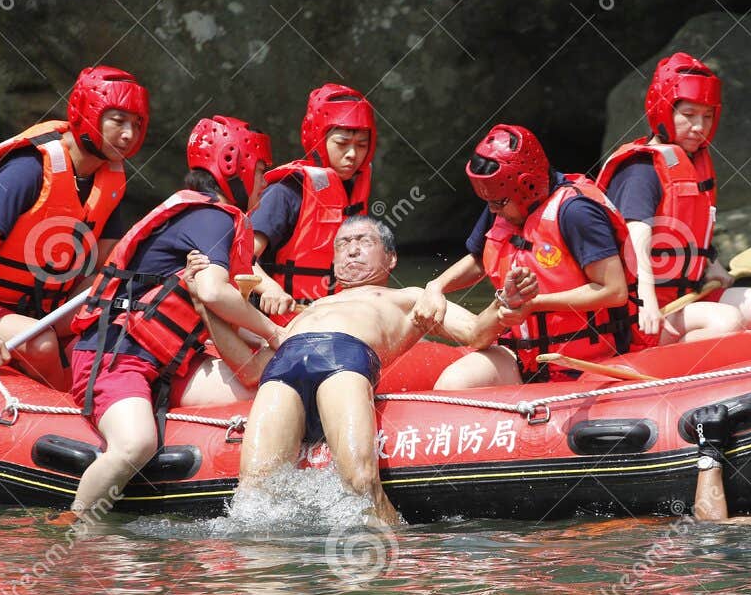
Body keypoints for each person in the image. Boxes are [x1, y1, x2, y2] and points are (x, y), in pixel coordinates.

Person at [226, 216, 538, 526]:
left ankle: (395, 551)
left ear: (391, 258)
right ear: (333, 262)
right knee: (253, 491)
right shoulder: (313, 306)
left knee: (360, 484)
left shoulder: (412, 298)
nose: (352, 250)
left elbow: (474, 332)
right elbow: (255, 360)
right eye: (343, 244)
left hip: (343, 358)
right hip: (284, 363)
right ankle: (263, 560)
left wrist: (502, 305)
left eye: (364, 241)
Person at [61, 115, 284, 518]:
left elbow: (215, 306)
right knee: (136, 444)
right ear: (234, 168)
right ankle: (75, 526)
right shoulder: (211, 217)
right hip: (115, 357)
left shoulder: (213, 217)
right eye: (261, 171)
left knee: (265, 387)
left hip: (168, 363)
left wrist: (272, 343)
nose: (265, 182)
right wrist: (273, 334)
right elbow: (212, 291)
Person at [0, 65, 149, 390]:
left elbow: (104, 270)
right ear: (88, 113)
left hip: (39, 308)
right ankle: (69, 404)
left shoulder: (109, 181)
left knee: (119, 313)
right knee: (40, 343)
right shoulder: (29, 169)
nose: (129, 135)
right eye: (118, 121)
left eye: (136, 124)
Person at [596, 52, 751, 340]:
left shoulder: (692, 164)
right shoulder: (640, 170)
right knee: (727, 321)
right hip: (640, 313)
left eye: (707, 116)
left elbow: (688, 230)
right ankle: (671, 359)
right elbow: (635, 240)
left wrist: (712, 265)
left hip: (688, 296)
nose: (699, 127)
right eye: (689, 115)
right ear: (663, 110)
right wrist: (647, 300)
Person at [426, 124, 635, 389]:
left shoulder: (576, 212)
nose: (492, 210)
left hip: (588, 362)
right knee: (453, 384)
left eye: (498, 203)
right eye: (489, 201)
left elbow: (614, 291)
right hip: (522, 357)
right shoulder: (501, 201)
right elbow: (479, 259)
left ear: (527, 186)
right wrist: (436, 287)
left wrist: (535, 303)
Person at [246, 83, 377, 322]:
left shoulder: (354, 194)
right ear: (319, 139)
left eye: (361, 145)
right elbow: (242, 257)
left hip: (334, 320)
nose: (352, 154)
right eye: (342, 143)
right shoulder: (285, 193)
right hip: (281, 324)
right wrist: (270, 289)